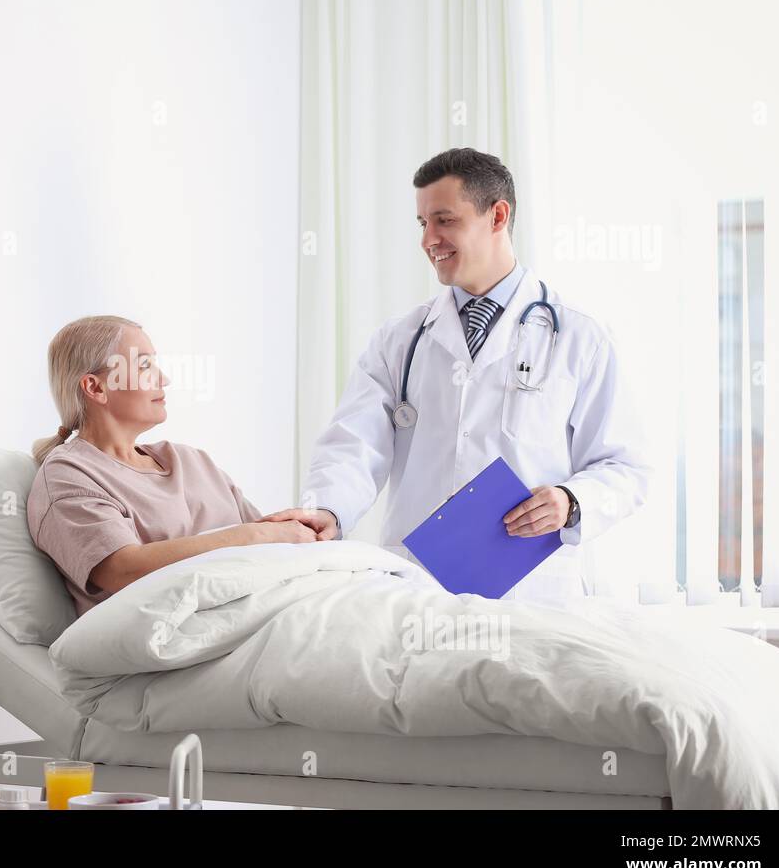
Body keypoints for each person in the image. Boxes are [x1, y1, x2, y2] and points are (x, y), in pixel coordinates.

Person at [264, 148, 651, 603]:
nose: (429, 239)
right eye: (422, 223)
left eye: (444, 220)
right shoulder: (401, 340)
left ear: (497, 215)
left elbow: (625, 467)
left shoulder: (580, 338)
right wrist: (328, 508)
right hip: (417, 586)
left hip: (530, 592)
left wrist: (572, 501)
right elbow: (353, 444)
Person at [28, 315, 315, 617]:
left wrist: (295, 529)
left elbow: (270, 544)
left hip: (282, 605)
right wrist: (254, 536)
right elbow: (122, 570)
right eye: (143, 365)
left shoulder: (191, 460)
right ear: (96, 388)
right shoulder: (69, 475)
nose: (164, 378)